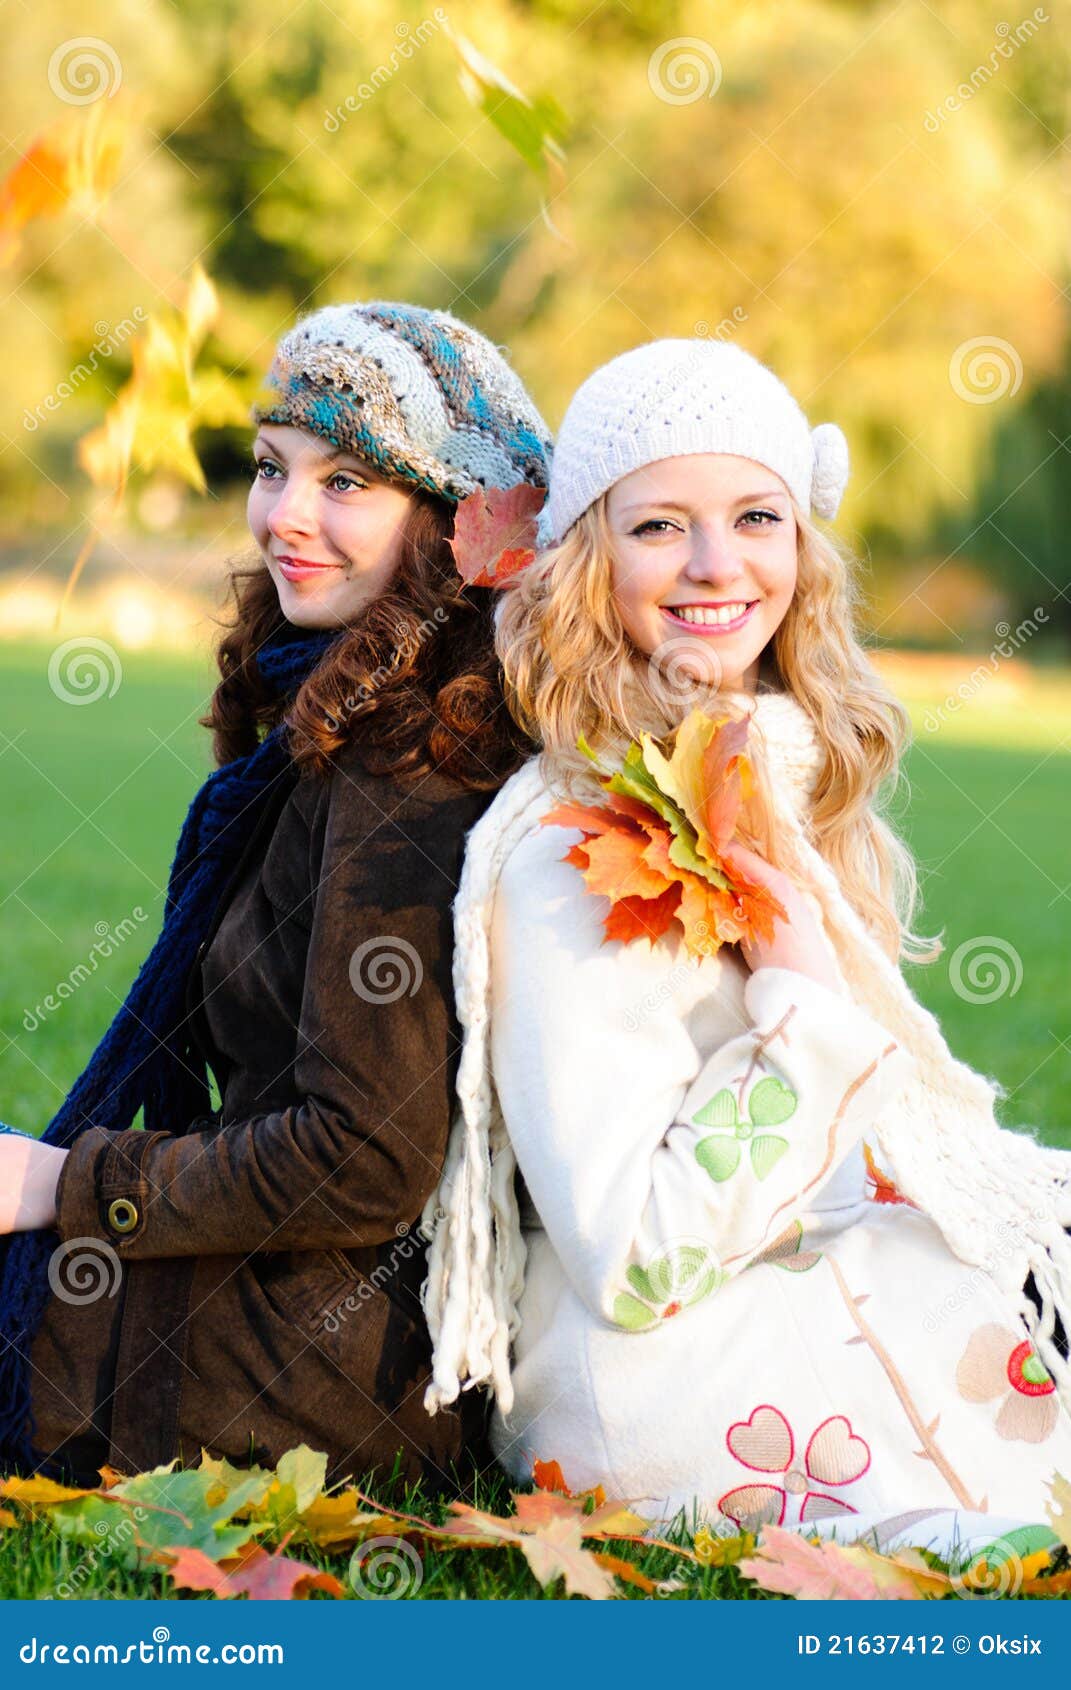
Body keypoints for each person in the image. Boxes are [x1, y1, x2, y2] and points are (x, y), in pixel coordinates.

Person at [420, 337, 1071, 1558]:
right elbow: (634, 1257)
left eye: (756, 516)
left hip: (790, 1262)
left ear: (802, 545)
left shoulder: (749, 774)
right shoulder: (577, 851)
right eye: (661, 526)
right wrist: (805, 1003)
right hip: (677, 1378)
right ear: (586, 558)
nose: (718, 566)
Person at [0, 299, 551, 1493]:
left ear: (454, 523)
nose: (285, 515)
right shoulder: (343, 719)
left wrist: (62, 1184)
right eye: (270, 466)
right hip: (281, 1300)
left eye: (346, 479)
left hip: (328, 1362)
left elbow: (365, 1157)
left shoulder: (414, 768)